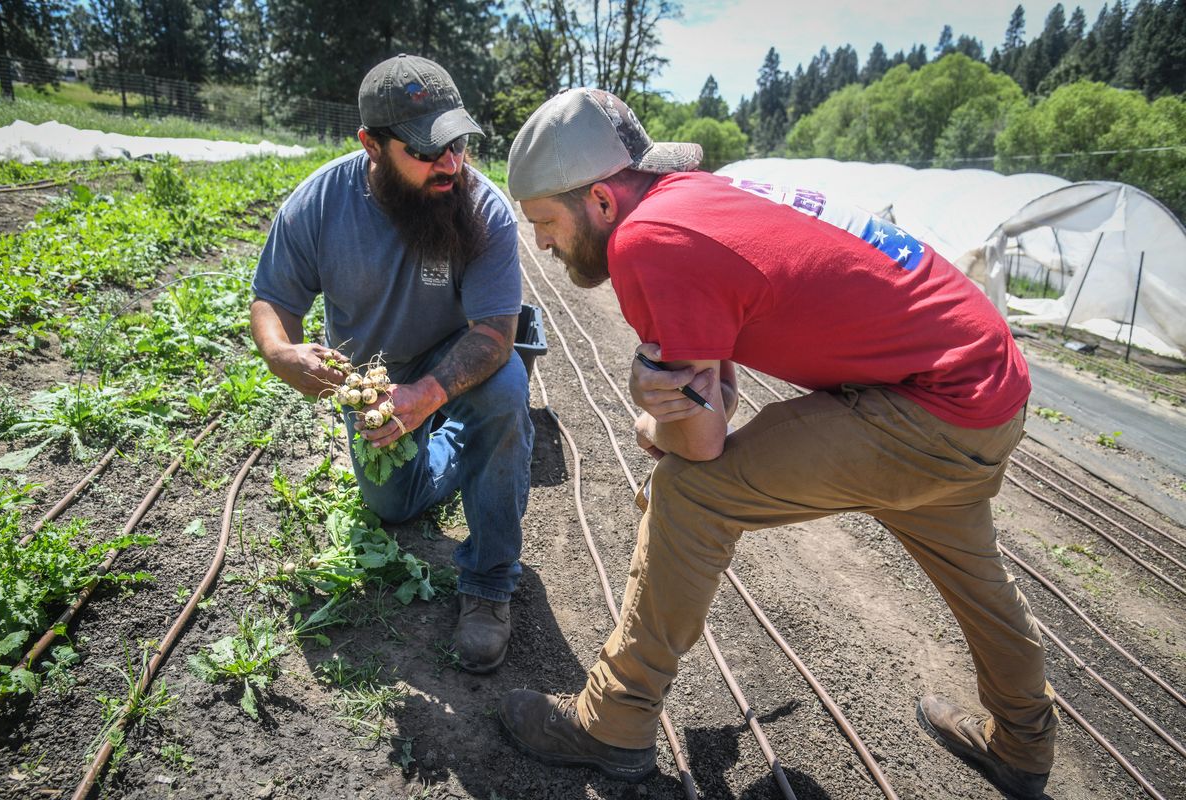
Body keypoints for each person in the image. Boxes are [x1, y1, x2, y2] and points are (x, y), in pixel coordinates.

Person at [500, 87, 1057, 797]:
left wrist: (654, 420)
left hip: (931, 407)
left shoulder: (650, 239)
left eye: (545, 221)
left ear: (603, 202)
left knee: (694, 493)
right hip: (989, 388)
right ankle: (1024, 745)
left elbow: (697, 447)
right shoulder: (702, 198)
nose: (542, 244)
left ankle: (615, 717)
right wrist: (687, 397)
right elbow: (723, 352)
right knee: (976, 575)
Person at [250, 54, 534, 674]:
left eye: (457, 143)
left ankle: (489, 581)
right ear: (371, 145)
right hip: (370, 380)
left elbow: (495, 331)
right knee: (393, 508)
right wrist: (280, 351)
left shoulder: (480, 208)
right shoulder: (321, 202)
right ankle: (468, 447)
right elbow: (273, 299)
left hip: (455, 360)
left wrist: (429, 394)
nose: (451, 163)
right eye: (428, 150)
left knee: (506, 386)